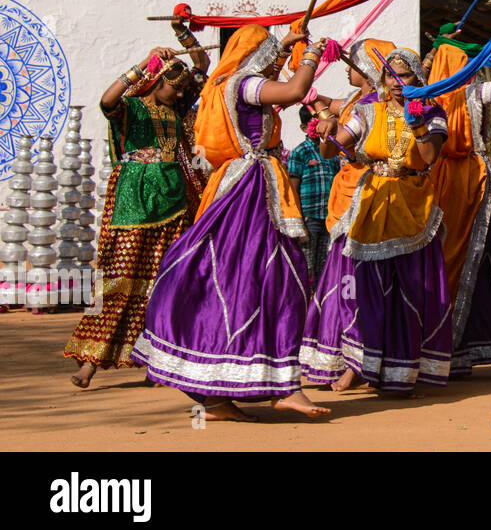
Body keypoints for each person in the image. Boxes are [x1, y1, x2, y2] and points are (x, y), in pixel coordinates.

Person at [133, 24, 331, 420]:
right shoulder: (244, 85)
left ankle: (223, 396)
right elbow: (294, 91)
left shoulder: (223, 84)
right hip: (254, 191)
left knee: (240, 279)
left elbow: (277, 81)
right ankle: (280, 386)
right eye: (268, 53)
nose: (272, 62)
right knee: (271, 279)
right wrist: (313, 55)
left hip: (238, 186)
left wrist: (289, 45)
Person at [300, 47, 452, 395]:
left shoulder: (433, 112)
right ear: (382, 80)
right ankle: (357, 365)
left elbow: (428, 158)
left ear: (418, 78)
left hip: (412, 205)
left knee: (407, 289)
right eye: (391, 76)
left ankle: (399, 369)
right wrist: (325, 129)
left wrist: (419, 126)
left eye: (406, 76)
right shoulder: (368, 112)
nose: (398, 83)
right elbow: (333, 150)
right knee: (361, 285)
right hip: (371, 204)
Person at [64, 39, 207, 388]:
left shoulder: (178, 109)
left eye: (181, 91)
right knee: (118, 281)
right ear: (156, 81)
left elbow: (203, 66)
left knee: (165, 284)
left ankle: (156, 362)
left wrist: (185, 35)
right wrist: (146, 62)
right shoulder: (131, 109)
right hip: (133, 202)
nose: (178, 96)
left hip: (174, 204)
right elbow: (106, 100)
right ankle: (90, 361)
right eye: (173, 88)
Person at [423, 32, 491, 375]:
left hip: (437, 185)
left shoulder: (424, 98)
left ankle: (443, 348)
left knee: (447, 262)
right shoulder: (472, 92)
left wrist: (435, 49)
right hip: (475, 183)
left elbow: (414, 71)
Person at [287, 105, 341, 288]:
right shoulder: (299, 152)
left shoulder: (332, 151)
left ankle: (319, 310)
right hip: (309, 218)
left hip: (328, 219)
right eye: (315, 123)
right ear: (304, 128)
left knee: (325, 268)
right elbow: (293, 188)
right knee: (306, 267)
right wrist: (297, 220)